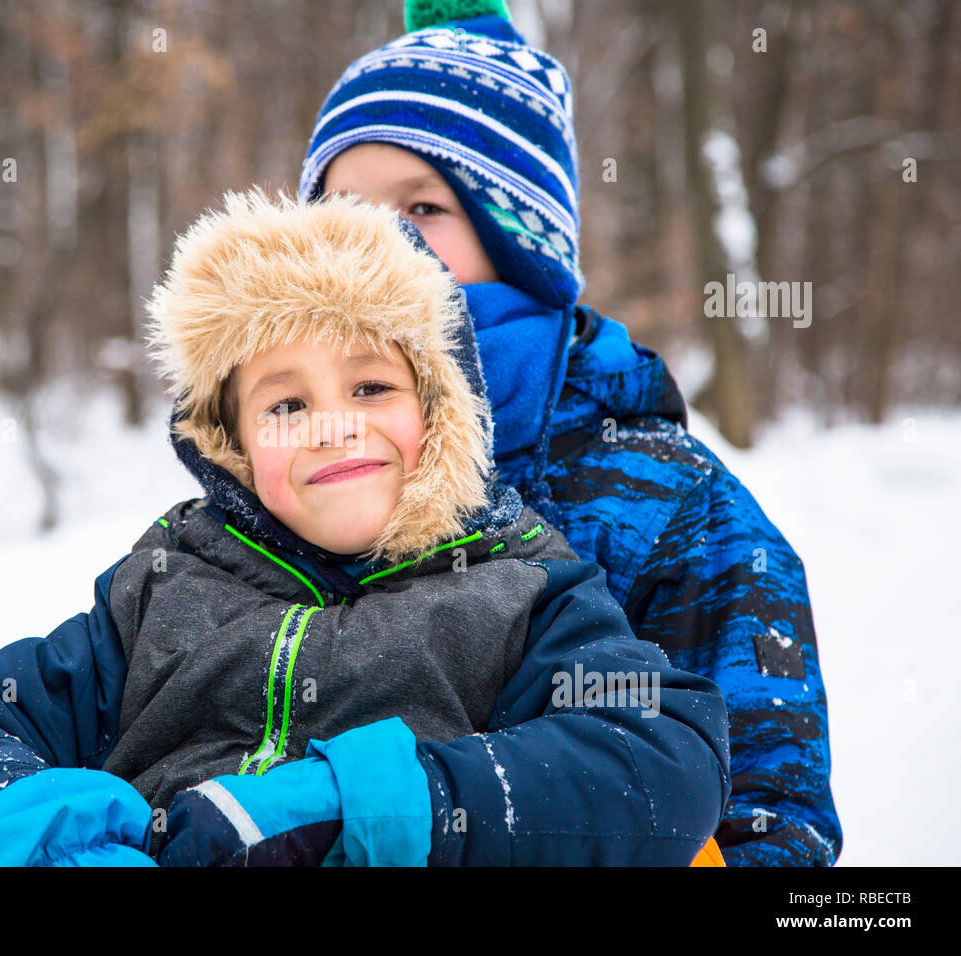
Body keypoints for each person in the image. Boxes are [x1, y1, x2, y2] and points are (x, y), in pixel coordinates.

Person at [0, 188, 730, 867]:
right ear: (232, 446)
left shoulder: (517, 589)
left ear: (441, 410)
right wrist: (44, 839)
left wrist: (365, 806)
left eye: (370, 388)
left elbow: (662, 748)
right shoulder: (166, 590)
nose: (333, 425)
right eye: (287, 403)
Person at [297, 0, 840, 865]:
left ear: (519, 240)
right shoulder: (287, 469)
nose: (375, 244)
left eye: (424, 207)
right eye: (341, 211)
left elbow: (773, 822)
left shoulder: (678, 507)